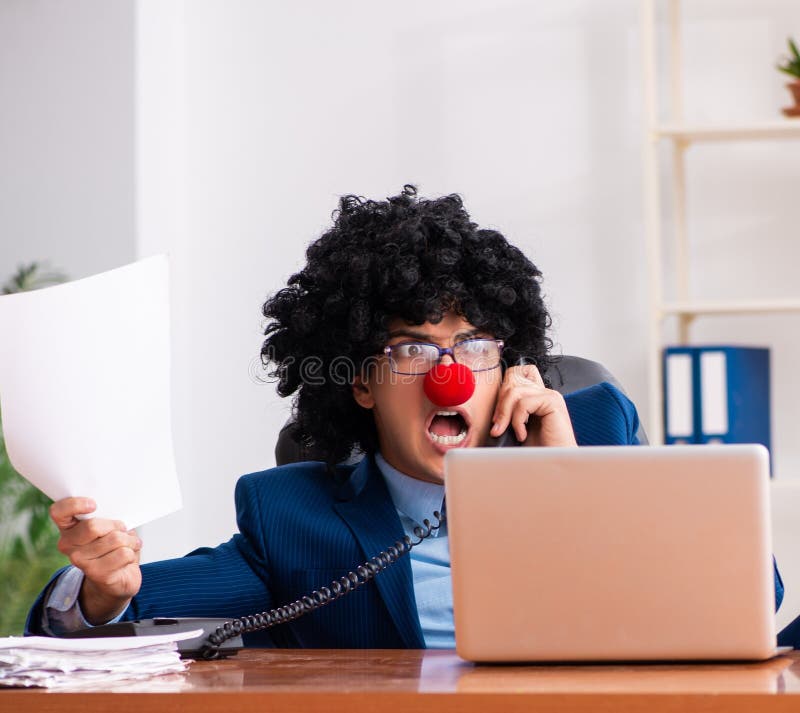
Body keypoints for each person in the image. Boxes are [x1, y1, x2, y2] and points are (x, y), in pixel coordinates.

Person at [25, 186, 781, 648]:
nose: (450, 376)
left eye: (472, 345)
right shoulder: (294, 517)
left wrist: (574, 477)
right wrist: (98, 589)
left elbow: (754, 592)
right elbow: (136, 605)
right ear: (360, 381)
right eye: (413, 350)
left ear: (509, 364)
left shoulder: (599, 429)